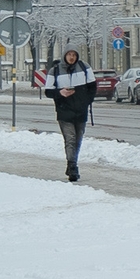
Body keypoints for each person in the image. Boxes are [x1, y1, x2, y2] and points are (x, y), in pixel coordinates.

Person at [43, 48, 97, 183]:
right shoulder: (54, 70)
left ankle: (72, 163)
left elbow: (93, 87)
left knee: (78, 139)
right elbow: (48, 91)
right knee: (70, 138)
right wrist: (60, 93)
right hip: (64, 110)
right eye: (69, 55)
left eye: (74, 55)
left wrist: (86, 101)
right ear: (64, 56)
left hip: (81, 110)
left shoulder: (84, 68)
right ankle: (72, 166)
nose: (71, 57)